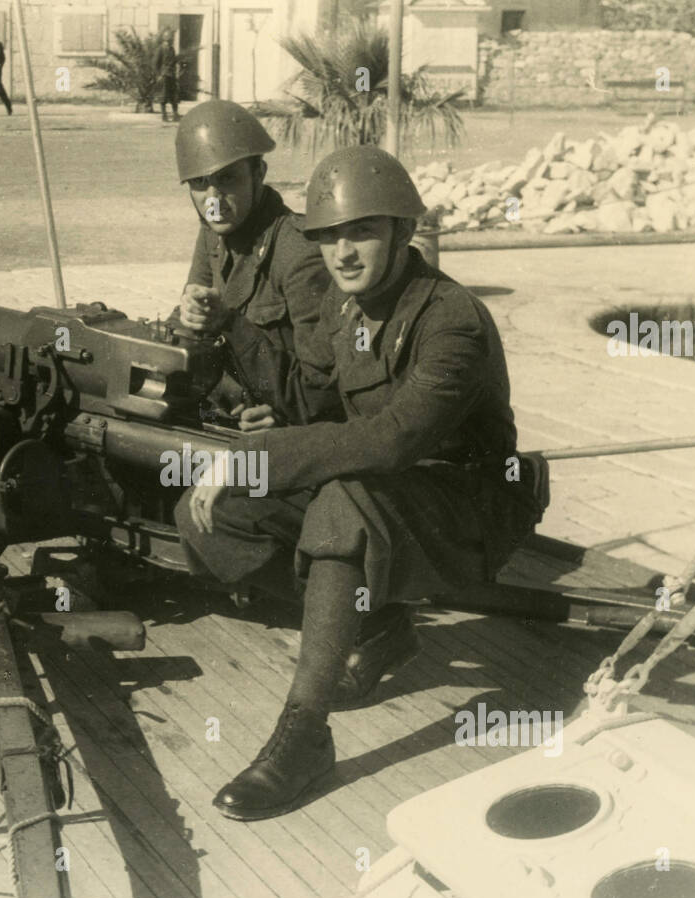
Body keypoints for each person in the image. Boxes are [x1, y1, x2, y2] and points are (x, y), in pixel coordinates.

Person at [178, 146, 548, 821]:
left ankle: (303, 736)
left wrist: (262, 457)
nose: (342, 253)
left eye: (361, 232)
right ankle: (376, 625)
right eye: (328, 237)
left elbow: (393, 438)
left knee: (340, 508)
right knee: (211, 514)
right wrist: (234, 385)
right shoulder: (350, 314)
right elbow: (310, 404)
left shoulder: (450, 319)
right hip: (388, 496)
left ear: (403, 233)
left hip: (469, 505)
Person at [171, 99, 334, 435]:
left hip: (288, 427)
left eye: (227, 179)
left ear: (258, 173)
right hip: (233, 415)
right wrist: (186, 319)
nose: (212, 199)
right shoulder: (214, 232)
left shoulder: (300, 253)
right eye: (199, 183)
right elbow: (191, 333)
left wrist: (279, 418)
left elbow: (321, 393)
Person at [155, 28, 181, 122]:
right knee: (164, 96)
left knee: (174, 95)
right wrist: (159, 75)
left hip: (172, 75)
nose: (172, 40)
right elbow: (156, 63)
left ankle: (175, 114)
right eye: (170, 38)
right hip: (164, 75)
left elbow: (173, 61)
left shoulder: (172, 49)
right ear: (166, 38)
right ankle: (164, 115)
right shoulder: (160, 49)